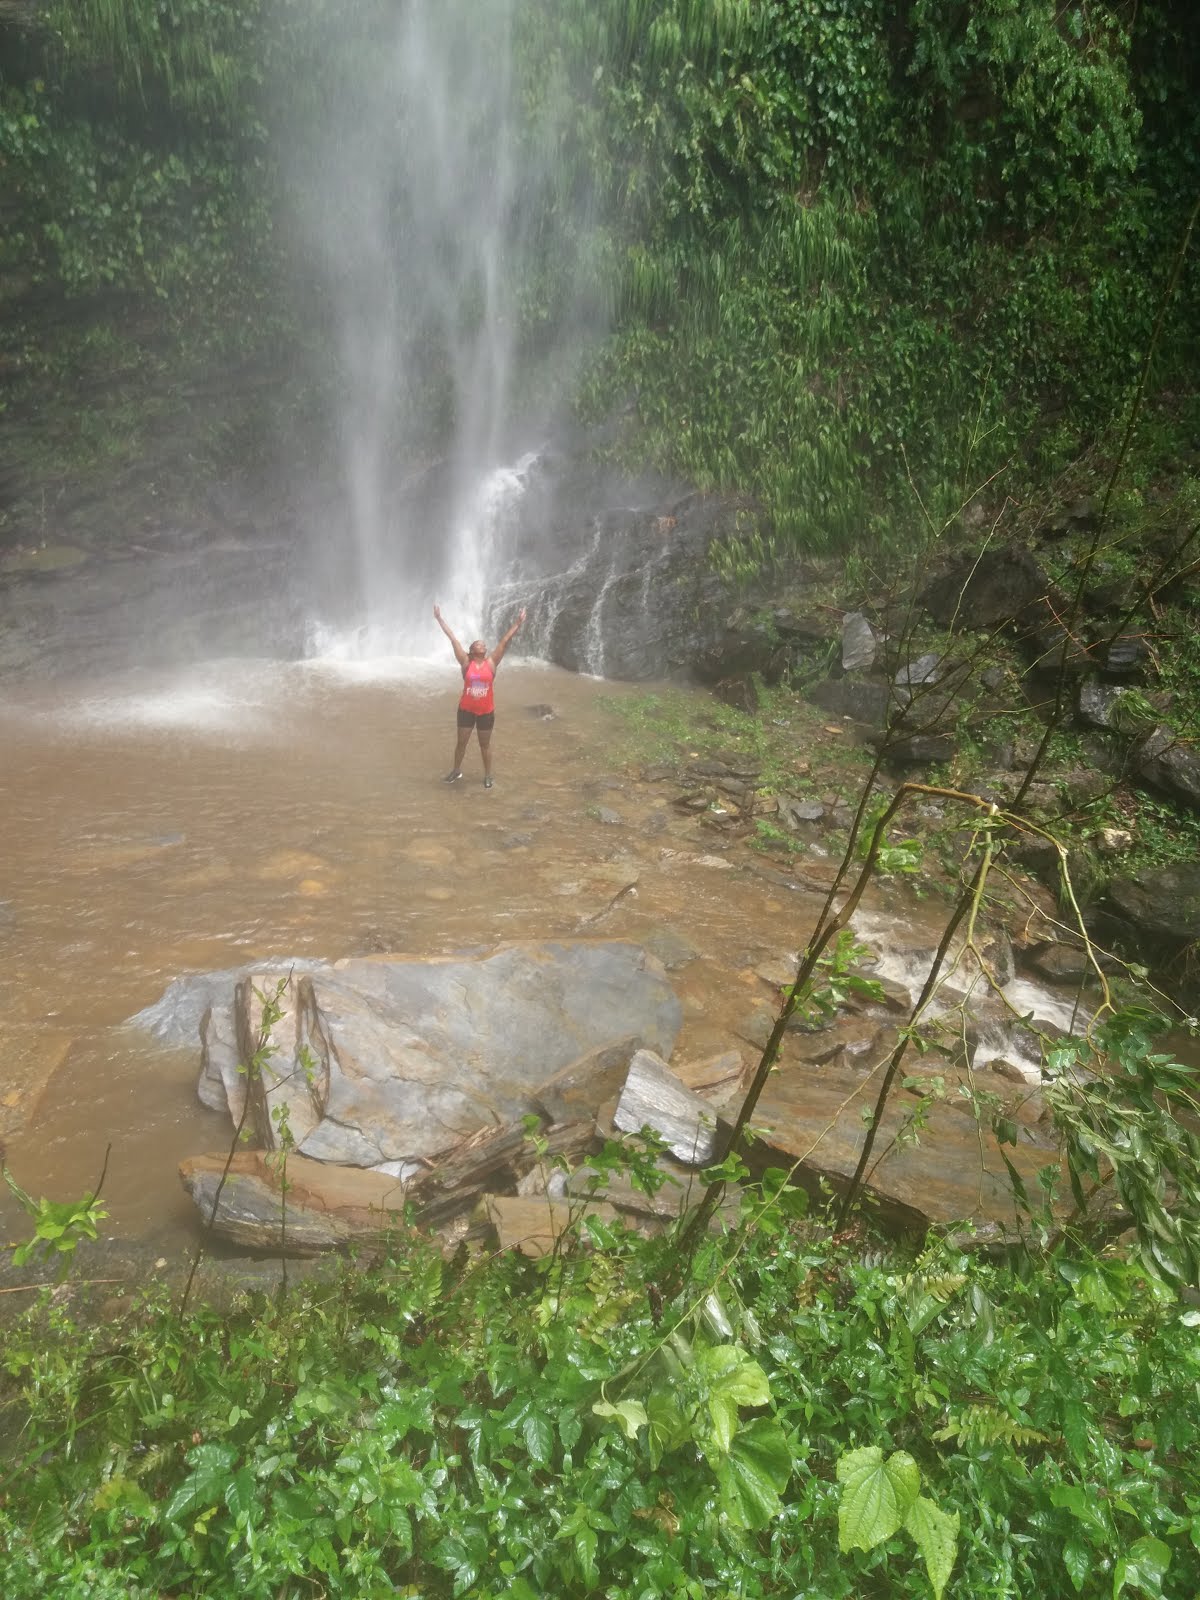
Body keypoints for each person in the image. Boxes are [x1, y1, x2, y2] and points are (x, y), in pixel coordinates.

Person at [433, 602, 526, 788]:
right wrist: (439, 619)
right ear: (472, 650)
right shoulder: (465, 662)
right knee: (461, 743)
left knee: (485, 745)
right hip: (466, 710)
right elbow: (453, 639)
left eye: (483, 644)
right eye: (477, 644)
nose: (482, 644)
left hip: (486, 712)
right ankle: (456, 771)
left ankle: (488, 775)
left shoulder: (492, 662)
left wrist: (518, 622)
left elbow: (505, 641)